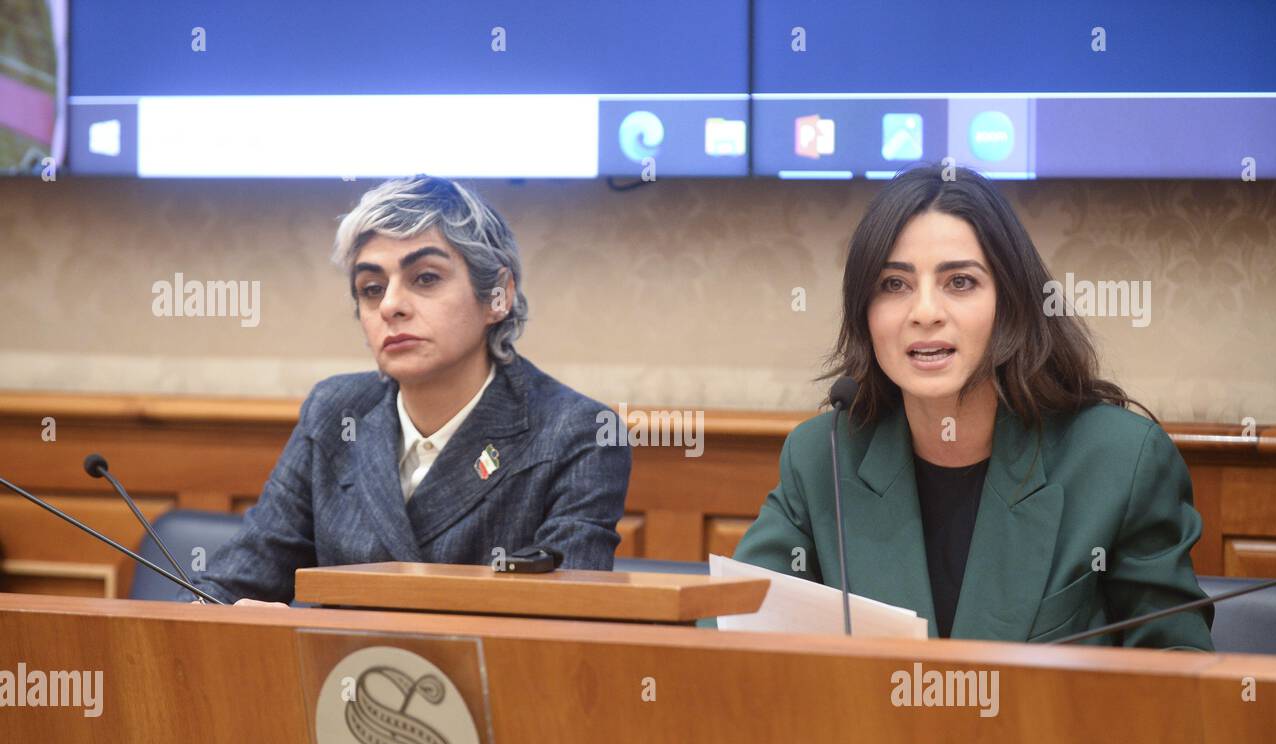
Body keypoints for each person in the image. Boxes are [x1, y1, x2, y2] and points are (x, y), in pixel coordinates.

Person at [733, 165, 1213, 649]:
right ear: (865, 312)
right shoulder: (824, 456)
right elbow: (731, 630)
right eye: (894, 285)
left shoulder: (1118, 461)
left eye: (959, 282)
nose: (924, 312)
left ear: (1012, 304)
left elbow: (1178, 681)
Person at [186, 175, 630, 606]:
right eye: (371, 288)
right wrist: (217, 613)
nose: (391, 306)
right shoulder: (336, 413)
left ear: (498, 295)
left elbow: (570, 622)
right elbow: (235, 580)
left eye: (425, 278)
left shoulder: (577, 433)